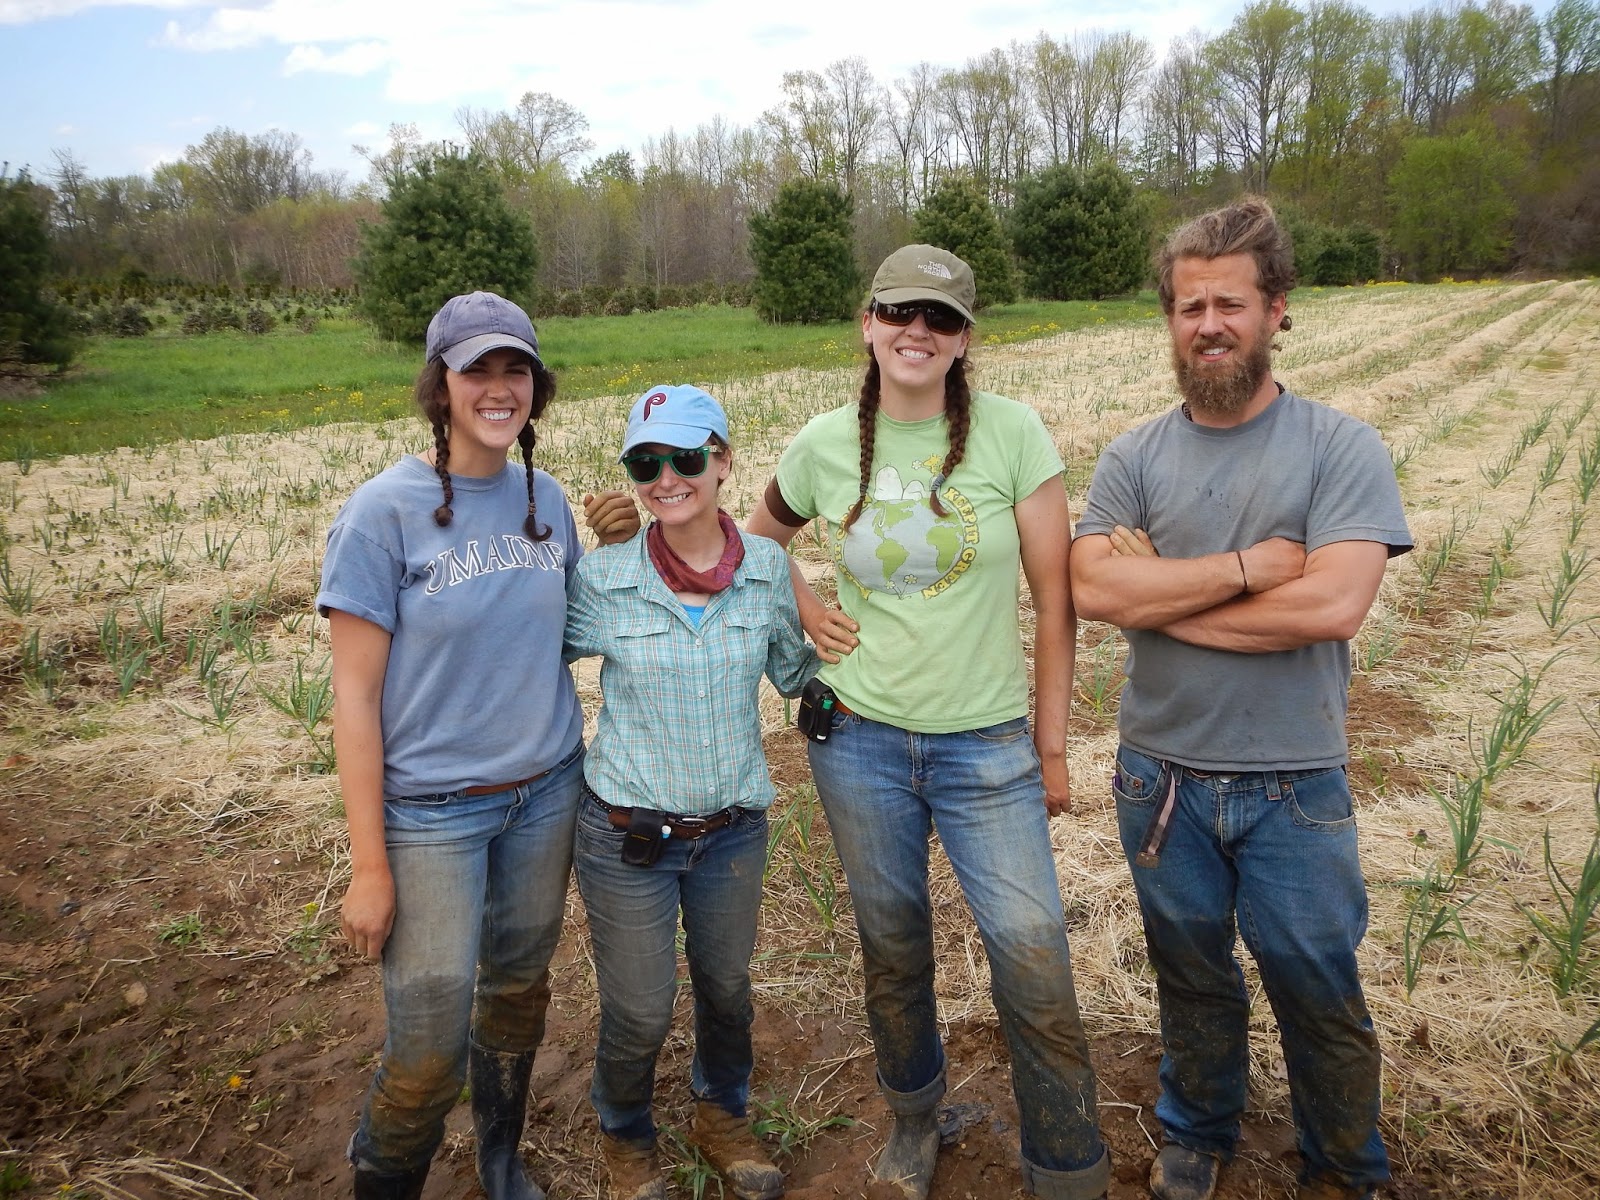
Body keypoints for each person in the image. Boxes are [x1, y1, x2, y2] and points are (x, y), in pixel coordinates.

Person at [747, 246, 1110, 1200]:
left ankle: (1068, 1168)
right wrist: (801, 599)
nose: (918, 331)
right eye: (900, 312)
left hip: (988, 748)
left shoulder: (1013, 435)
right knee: (893, 943)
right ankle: (915, 1117)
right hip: (858, 739)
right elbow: (752, 546)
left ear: (963, 340)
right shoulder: (825, 443)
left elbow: (1054, 598)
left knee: (1034, 958)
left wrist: (1052, 745)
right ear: (867, 324)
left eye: (940, 319)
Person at [1068, 197, 1412, 1200]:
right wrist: (1256, 567)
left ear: (1276, 312)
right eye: (1187, 307)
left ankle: (1346, 1165)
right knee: (1191, 973)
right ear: (1168, 321)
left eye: (1228, 303)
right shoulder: (1135, 455)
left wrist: (1162, 597)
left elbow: (1335, 605)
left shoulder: (1338, 448)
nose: (1207, 324)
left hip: (1292, 779)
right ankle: (1197, 1127)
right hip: (1159, 774)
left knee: (1315, 983)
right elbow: (1091, 589)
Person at [319, 290, 638, 1200]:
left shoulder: (547, 500)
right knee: (424, 1045)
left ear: (536, 386)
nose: (499, 389)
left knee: (515, 993)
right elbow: (355, 698)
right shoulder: (383, 513)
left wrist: (621, 545)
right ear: (441, 385)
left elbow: (577, 627)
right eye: (478, 371)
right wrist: (368, 864)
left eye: (516, 371)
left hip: (545, 795)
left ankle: (500, 1160)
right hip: (429, 818)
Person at [563, 385, 818, 1200]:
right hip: (625, 835)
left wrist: (883, 649)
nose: (667, 476)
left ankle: (721, 1115)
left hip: (732, 830)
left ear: (723, 461)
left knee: (727, 988)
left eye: (685, 457)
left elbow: (795, 675)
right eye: (646, 462)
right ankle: (626, 1133)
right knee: (640, 1008)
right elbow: (528, 660)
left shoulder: (769, 569)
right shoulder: (604, 578)